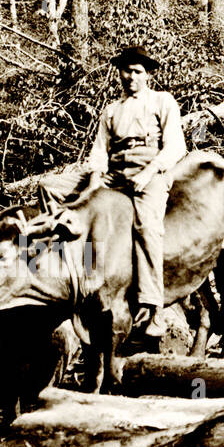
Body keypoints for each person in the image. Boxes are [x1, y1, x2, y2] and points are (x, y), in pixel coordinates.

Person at [87, 45, 187, 336]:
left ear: (147, 75)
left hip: (150, 172)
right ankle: (86, 287)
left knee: (147, 229)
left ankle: (153, 306)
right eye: (126, 71)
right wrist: (94, 181)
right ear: (118, 73)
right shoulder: (112, 110)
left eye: (137, 72)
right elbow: (99, 151)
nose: (130, 77)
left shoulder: (161, 101)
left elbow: (175, 146)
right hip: (115, 174)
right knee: (62, 199)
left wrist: (149, 172)